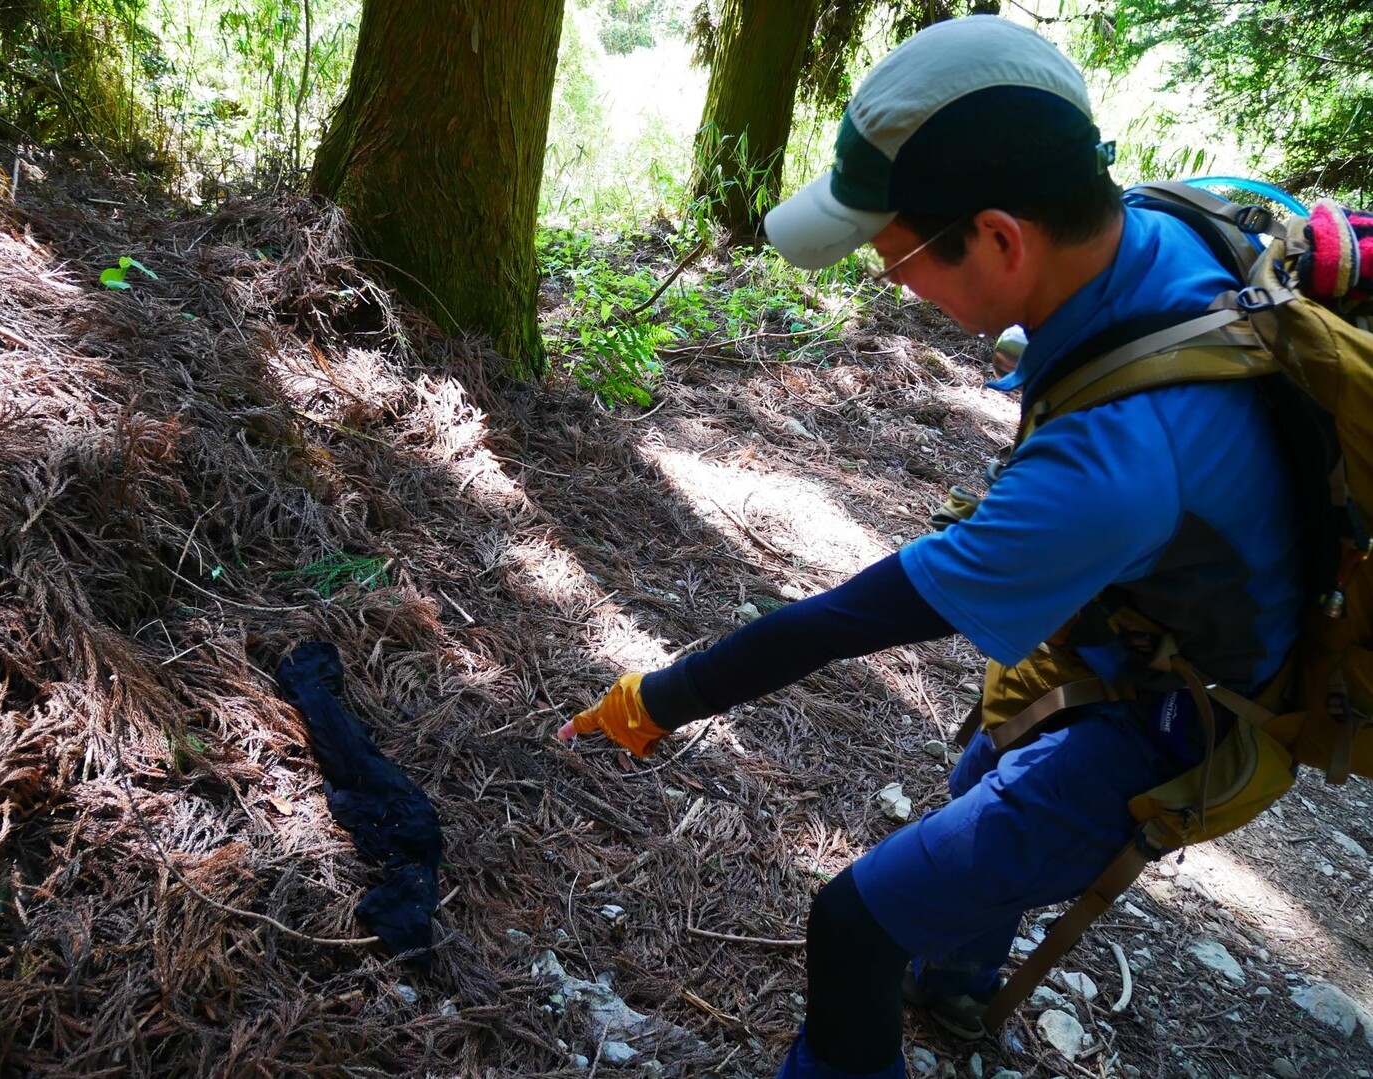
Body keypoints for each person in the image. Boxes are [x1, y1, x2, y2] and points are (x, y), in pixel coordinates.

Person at [558, 15, 1302, 1079]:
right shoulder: (1146, 232)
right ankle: (955, 983)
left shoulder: (1110, 467)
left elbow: (845, 619)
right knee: (985, 756)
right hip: (1137, 625)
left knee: (851, 922)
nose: (885, 277)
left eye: (891, 252)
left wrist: (656, 698)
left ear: (1000, 237)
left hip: (1182, 719)